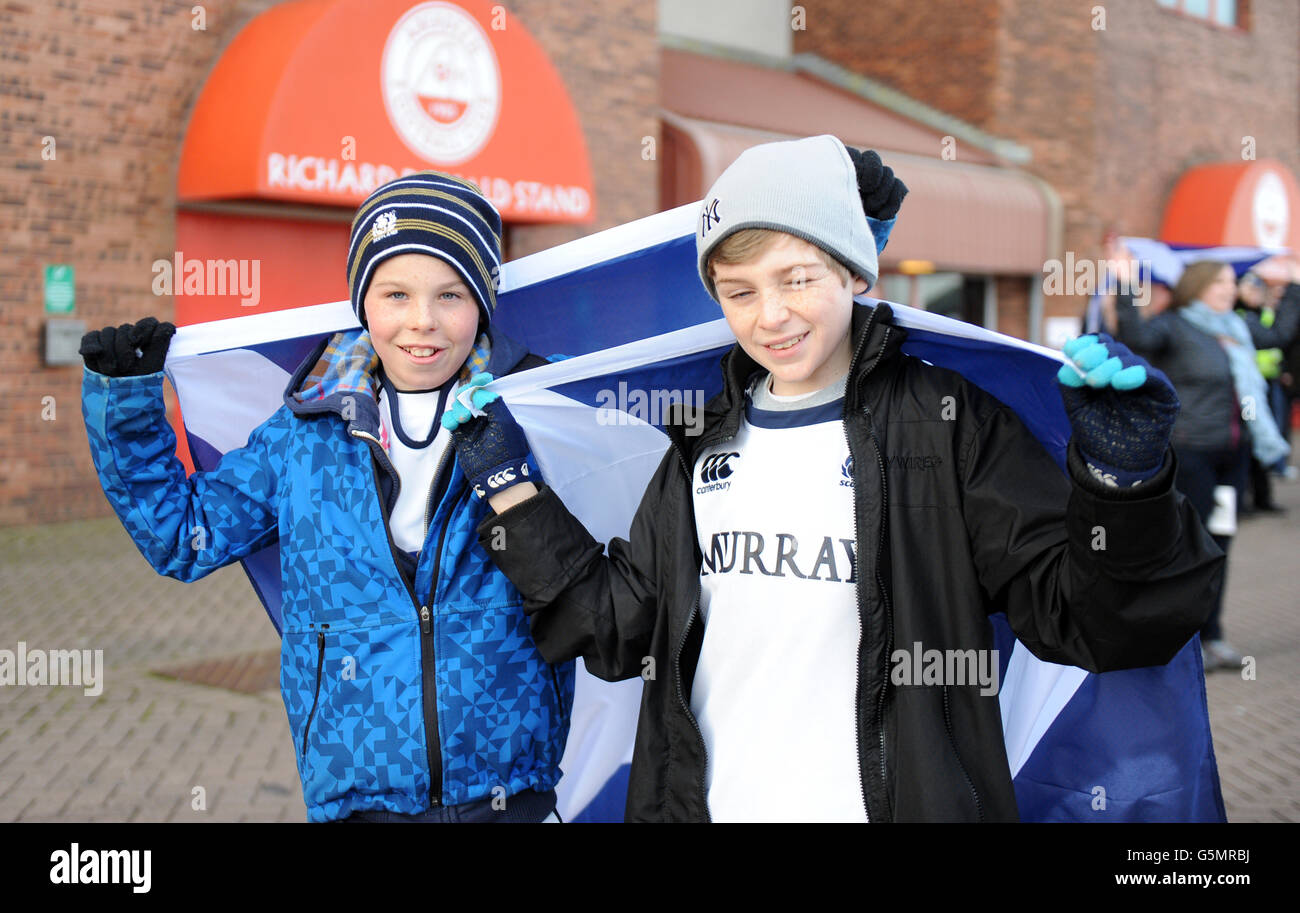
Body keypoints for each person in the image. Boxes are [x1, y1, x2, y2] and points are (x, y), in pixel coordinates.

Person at [444, 135, 1224, 822]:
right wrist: (509, 484)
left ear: (854, 270)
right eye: (739, 291)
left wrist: (1124, 484)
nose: (770, 315)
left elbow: (1089, 619)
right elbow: (617, 627)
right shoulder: (701, 436)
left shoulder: (945, 424)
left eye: (797, 278)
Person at [79, 171, 572, 823]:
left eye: (450, 294)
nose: (421, 321)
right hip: (358, 799)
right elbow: (184, 536)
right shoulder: (303, 434)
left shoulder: (541, 413)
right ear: (362, 300)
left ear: (483, 301)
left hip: (512, 794)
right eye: (396, 293)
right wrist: (129, 407)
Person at [1114, 258, 1298, 672]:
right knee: (1186, 547)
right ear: (1198, 286)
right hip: (1190, 452)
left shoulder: (1234, 327)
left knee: (1219, 544)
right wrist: (1126, 285)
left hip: (1231, 456)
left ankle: (1213, 634)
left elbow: (1281, 335)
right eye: (1222, 282)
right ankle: (1183, 641)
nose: (1230, 290)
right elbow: (1135, 336)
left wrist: (1294, 286)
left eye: (1232, 283)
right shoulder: (1175, 325)